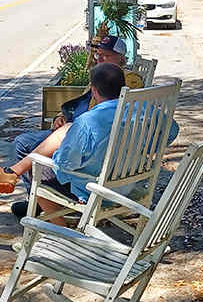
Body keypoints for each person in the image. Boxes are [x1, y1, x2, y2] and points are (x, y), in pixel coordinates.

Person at [6, 35, 144, 189]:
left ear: (121, 58)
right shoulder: (100, 75)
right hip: (77, 128)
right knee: (22, 142)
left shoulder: (126, 79)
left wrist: (72, 132)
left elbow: (115, 110)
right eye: (98, 54)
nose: (100, 59)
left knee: (37, 160)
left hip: (89, 137)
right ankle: (33, 197)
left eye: (106, 55)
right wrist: (61, 116)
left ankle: (41, 197)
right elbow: (81, 101)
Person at [0, 63, 125, 224]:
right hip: (126, 183)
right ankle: (12, 172)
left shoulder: (88, 121)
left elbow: (66, 163)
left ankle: (60, 226)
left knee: (37, 168)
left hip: (94, 187)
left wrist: (54, 154)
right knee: (66, 129)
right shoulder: (144, 112)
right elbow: (169, 131)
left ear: (94, 91)